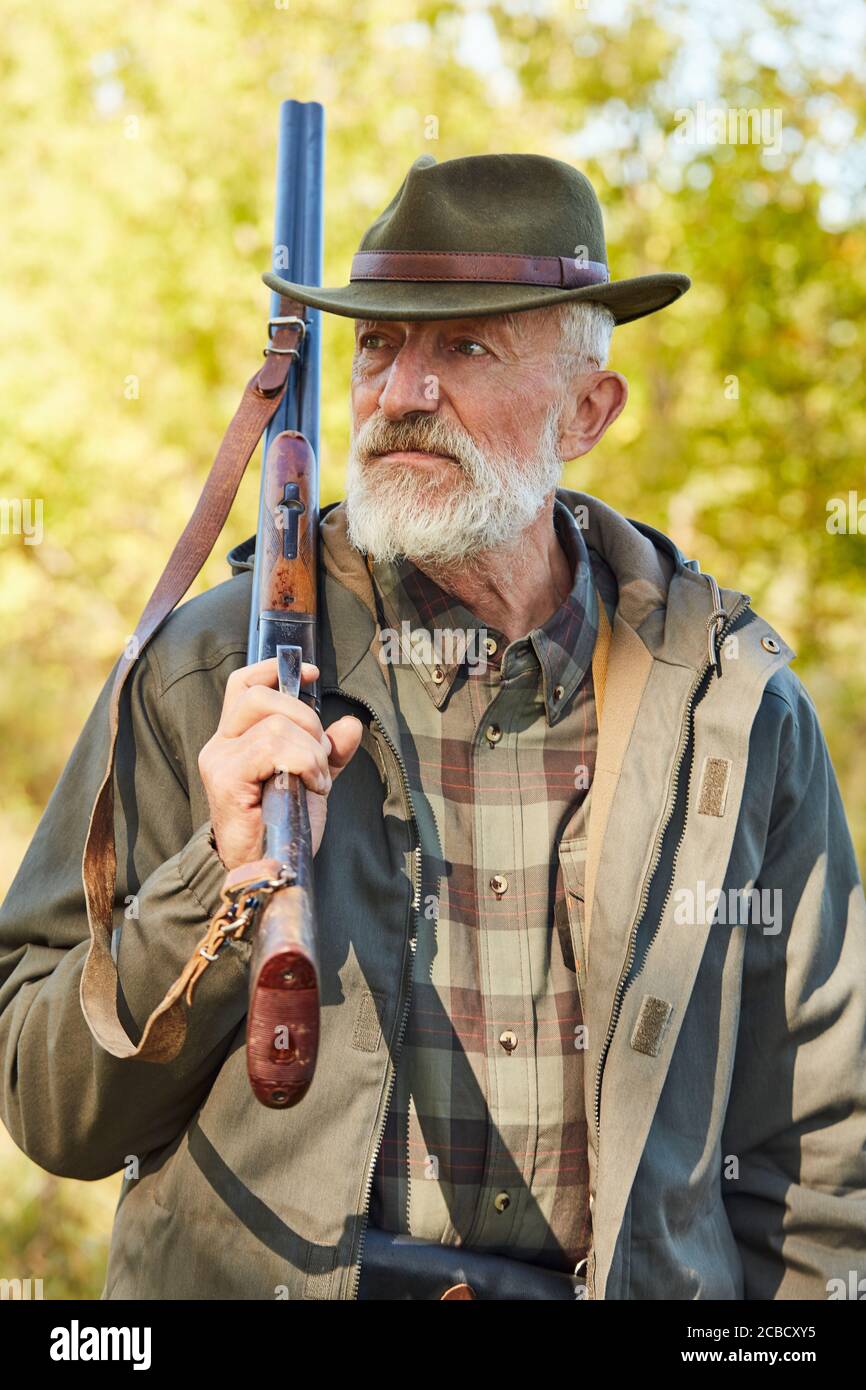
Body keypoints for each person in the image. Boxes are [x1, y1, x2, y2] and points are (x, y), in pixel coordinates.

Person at [1, 153, 864, 1301]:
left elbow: (818, 1155)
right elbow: (46, 1105)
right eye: (376, 346)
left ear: (588, 410)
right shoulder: (210, 675)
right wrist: (224, 879)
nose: (402, 389)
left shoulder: (734, 713)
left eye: (464, 347)